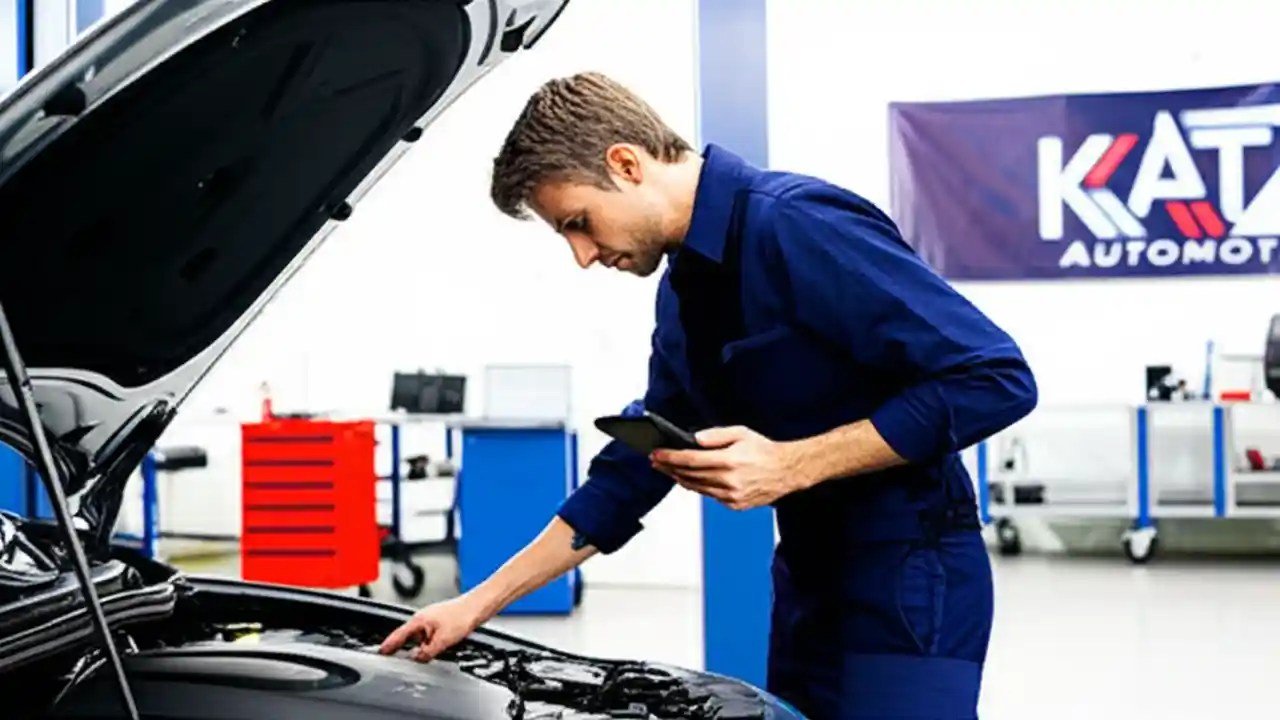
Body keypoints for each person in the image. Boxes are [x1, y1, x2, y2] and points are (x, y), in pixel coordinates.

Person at [379, 71, 1038, 718]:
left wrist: (794, 463)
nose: (582, 255)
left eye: (579, 222)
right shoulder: (683, 293)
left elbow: (995, 378)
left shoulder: (797, 224)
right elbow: (627, 476)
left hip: (910, 581)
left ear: (626, 164)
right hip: (809, 584)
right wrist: (475, 605)